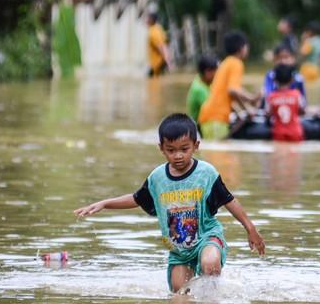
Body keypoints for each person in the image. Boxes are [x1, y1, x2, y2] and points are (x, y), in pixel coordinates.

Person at [73, 113, 265, 293]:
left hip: (207, 237)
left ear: (196, 145)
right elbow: (137, 199)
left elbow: (229, 201)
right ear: (161, 149)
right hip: (178, 250)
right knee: (179, 297)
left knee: (210, 263)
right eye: (171, 150)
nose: (178, 156)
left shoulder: (207, 174)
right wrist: (105, 203)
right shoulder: (157, 178)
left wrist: (250, 228)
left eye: (184, 149)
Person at [198, 31, 261, 140]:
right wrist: (251, 98)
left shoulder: (226, 63)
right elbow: (233, 90)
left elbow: (231, 93)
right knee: (218, 157)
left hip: (208, 117)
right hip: (216, 119)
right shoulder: (236, 63)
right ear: (241, 48)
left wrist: (245, 109)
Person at [267, 63, 305, 142]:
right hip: (295, 132)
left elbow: (268, 113)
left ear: (274, 80)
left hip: (278, 132)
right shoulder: (297, 95)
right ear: (292, 80)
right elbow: (302, 110)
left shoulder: (271, 97)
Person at [186, 55, 218, 124]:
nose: (217, 75)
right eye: (215, 72)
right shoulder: (199, 90)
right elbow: (213, 110)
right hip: (200, 126)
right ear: (207, 72)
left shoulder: (200, 79)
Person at [147, 12, 173, 77]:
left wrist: (167, 61)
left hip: (156, 64)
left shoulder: (153, 32)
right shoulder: (159, 28)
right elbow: (165, 44)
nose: (146, 20)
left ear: (151, 20)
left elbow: (161, 46)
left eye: (148, 18)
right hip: (160, 63)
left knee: (153, 83)